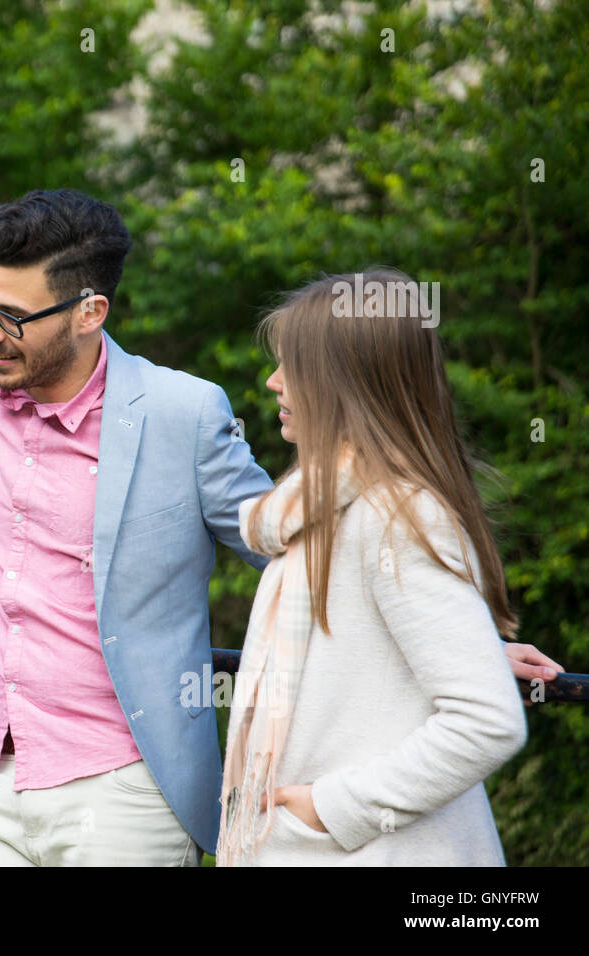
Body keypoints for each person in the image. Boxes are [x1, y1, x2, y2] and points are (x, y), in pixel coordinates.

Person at [0, 189, 562, 866]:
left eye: (10, 316)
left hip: (126, 784)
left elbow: (295, 544)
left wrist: (459, 645)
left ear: (90, 312)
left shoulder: (184, 413)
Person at [217, 270, 537, 865]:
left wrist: (336, 807)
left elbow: (489, 721)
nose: (272, 382)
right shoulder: (323, 510)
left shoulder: (394, 515)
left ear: (346, 384)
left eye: (292, 368)